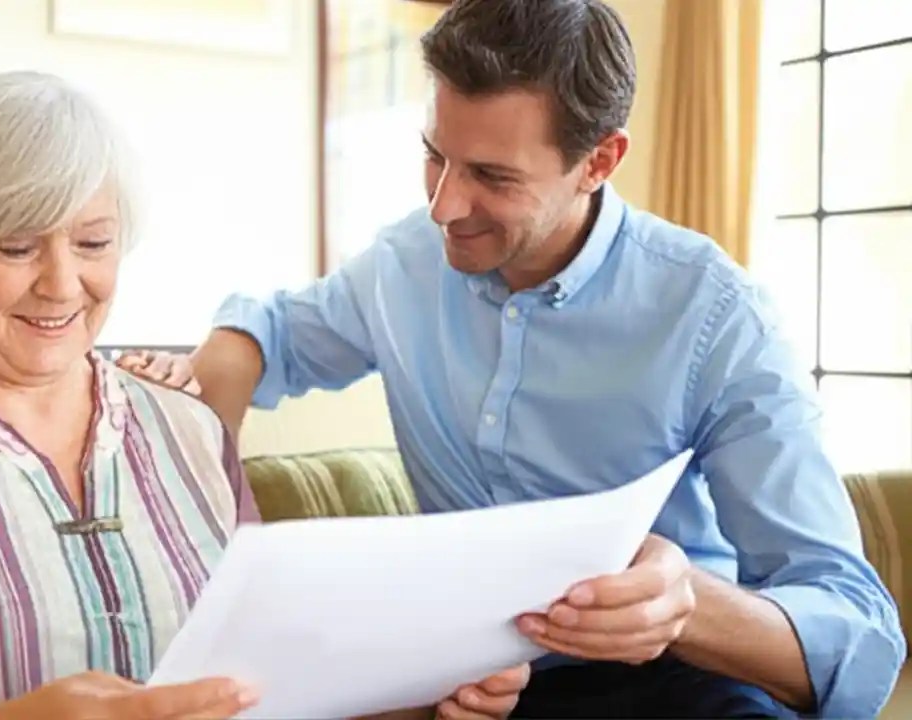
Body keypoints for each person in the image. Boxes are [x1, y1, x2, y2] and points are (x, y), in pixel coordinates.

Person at [118, 0, 907, 717]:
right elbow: (269, 332)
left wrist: (684, 605)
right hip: (461, 681)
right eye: (436, 156)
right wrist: (194, 428)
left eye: (492, 177)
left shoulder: (715, 316)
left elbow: (857, 630)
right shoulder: (403, 264)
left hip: (672, 679)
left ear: (599, 161)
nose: (443, 206)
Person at [0, 70, 526, 720]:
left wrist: (428, 695)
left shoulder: (193, 428)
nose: (62, 283)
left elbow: (279, 680)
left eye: (94, 243)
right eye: (16, 247)